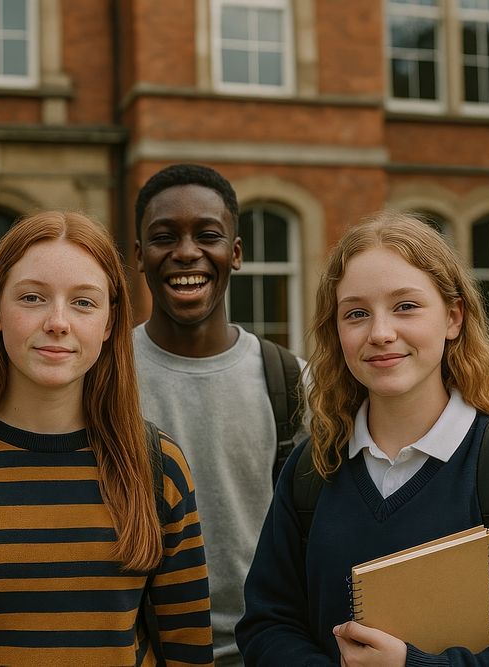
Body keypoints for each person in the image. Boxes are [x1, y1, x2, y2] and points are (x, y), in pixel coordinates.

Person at [235, 211, 489, 665]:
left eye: (406, 306)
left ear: (454, 318)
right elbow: (267, 626)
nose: (381, 333)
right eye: (357, 314)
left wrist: (411, 664)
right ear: (336, 331)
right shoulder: (312, 467)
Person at [0, 210, 214, 665]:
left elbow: (189, 651)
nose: (58, 322)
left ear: (109, 323)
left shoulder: (157, 466)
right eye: (32, 298)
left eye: (84, 302)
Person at [133, 163, 303, 665]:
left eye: (207, 235)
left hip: (266, 652)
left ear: (236, 253)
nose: (186, 252)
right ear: (139, 257)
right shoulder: (101, 376)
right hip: (142, 654)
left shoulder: (293, 382)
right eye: (164, 237)